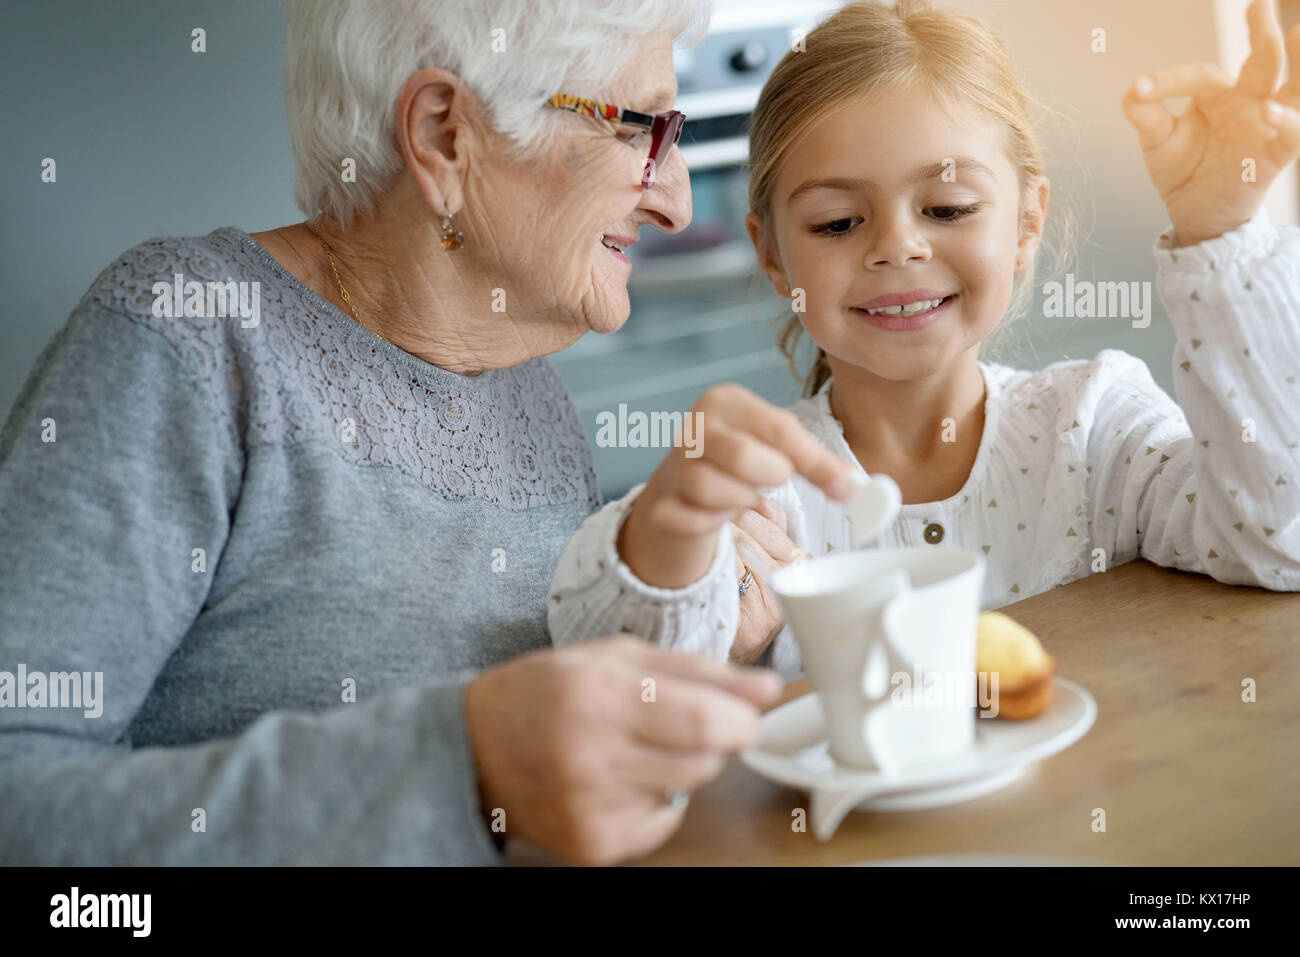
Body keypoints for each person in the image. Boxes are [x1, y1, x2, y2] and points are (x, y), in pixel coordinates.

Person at [0, 0, 853, 866]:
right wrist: (464, 763)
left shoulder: (535, 398)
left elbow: (553, 754)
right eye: (644, 131)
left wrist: (695, 637)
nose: (673, 200)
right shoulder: (190, 335)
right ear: (445, 136)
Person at [549, 0, 1300, 677]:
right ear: (774, 255)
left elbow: (1275, 540)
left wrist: (1219, 232)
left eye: (947, 207)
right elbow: (614, 662)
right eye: (838, 223)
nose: (898, 248)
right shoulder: (762, 494)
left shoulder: (1099, 425)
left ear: (1026, 225)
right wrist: (670, 550)